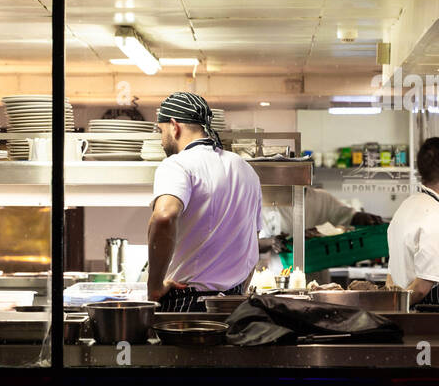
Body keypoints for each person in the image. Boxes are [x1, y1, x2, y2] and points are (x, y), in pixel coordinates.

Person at [145, 92, 264, 311]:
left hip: (188, 302)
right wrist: (238, 292)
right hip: (236, 303)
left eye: (161, 131)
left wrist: (154, 286)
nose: (162, 141)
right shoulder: (246, 169)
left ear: (174, 126)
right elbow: (252, 242)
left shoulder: (177, 165)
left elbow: (163, 216)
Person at [386, 136, 439, 308]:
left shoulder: (405, 207)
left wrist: (394, 308)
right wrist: (400, 308)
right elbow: (422, 288)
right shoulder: (435, 217)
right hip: (434, 318)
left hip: (408, 314)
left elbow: (391, 275)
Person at [257, 187, 384, 273]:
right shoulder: (267, 203)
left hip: (318, 280)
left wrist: (362, 217)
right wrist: (272, 241)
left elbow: (348, 216)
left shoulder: (322, 198)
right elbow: (253, 244)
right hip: (280, 277)